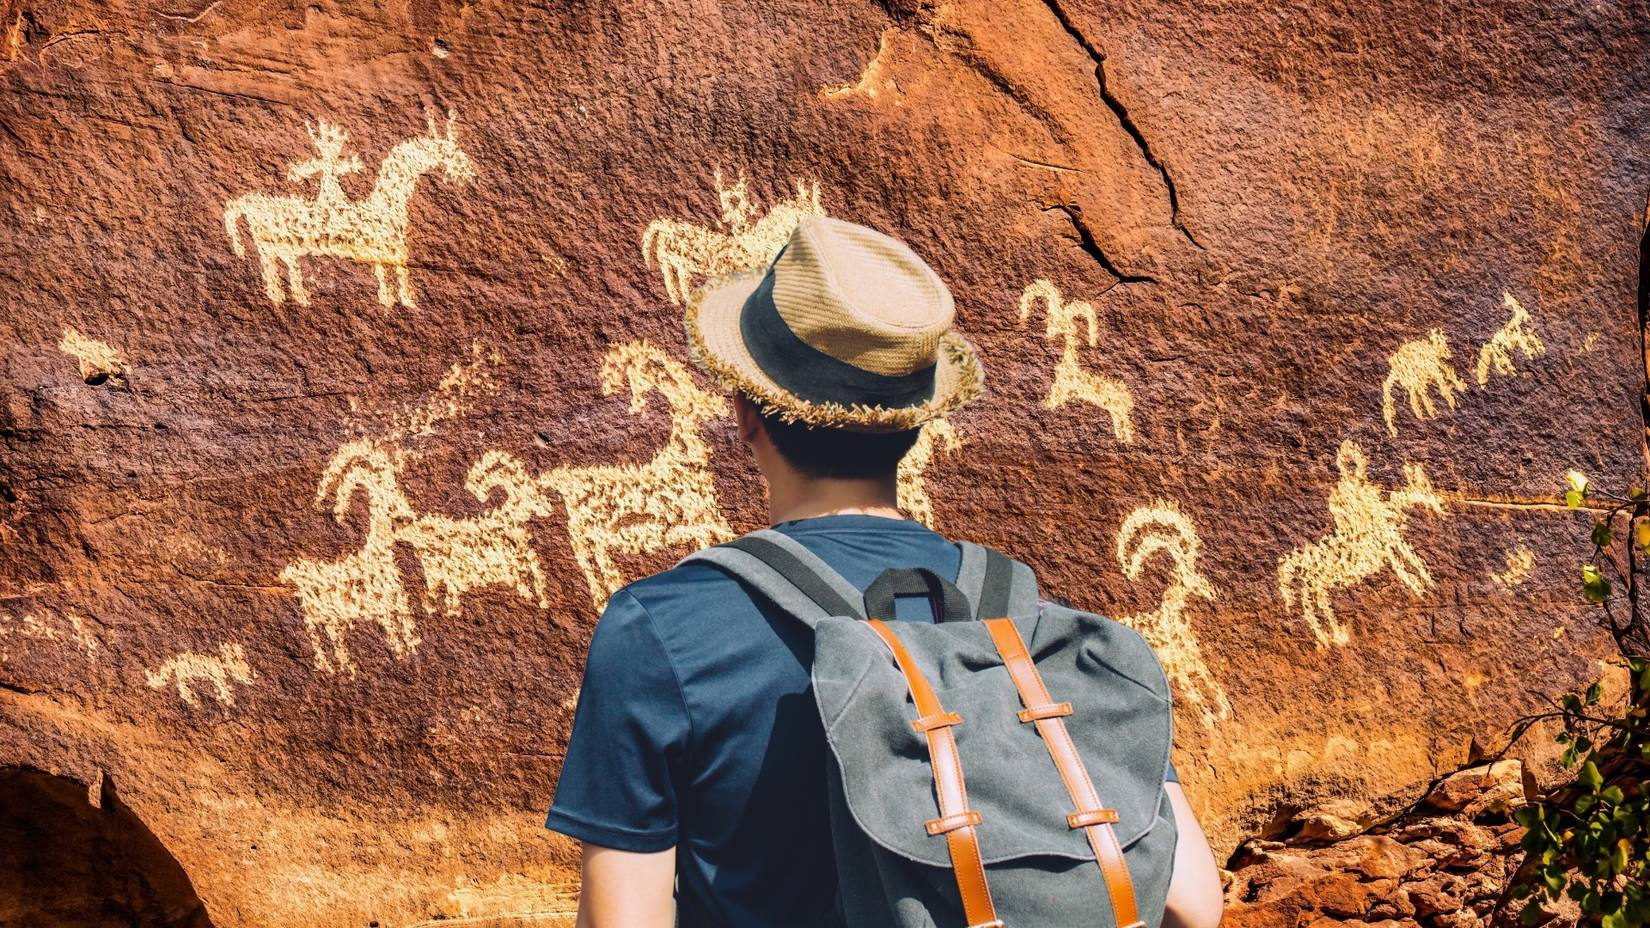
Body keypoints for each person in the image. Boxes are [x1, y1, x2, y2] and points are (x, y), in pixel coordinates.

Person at [545, 215, 1225, 927]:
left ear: (745, 413)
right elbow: (1191, 903)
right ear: (917, 423)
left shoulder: (661, 630)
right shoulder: (1030, 627)